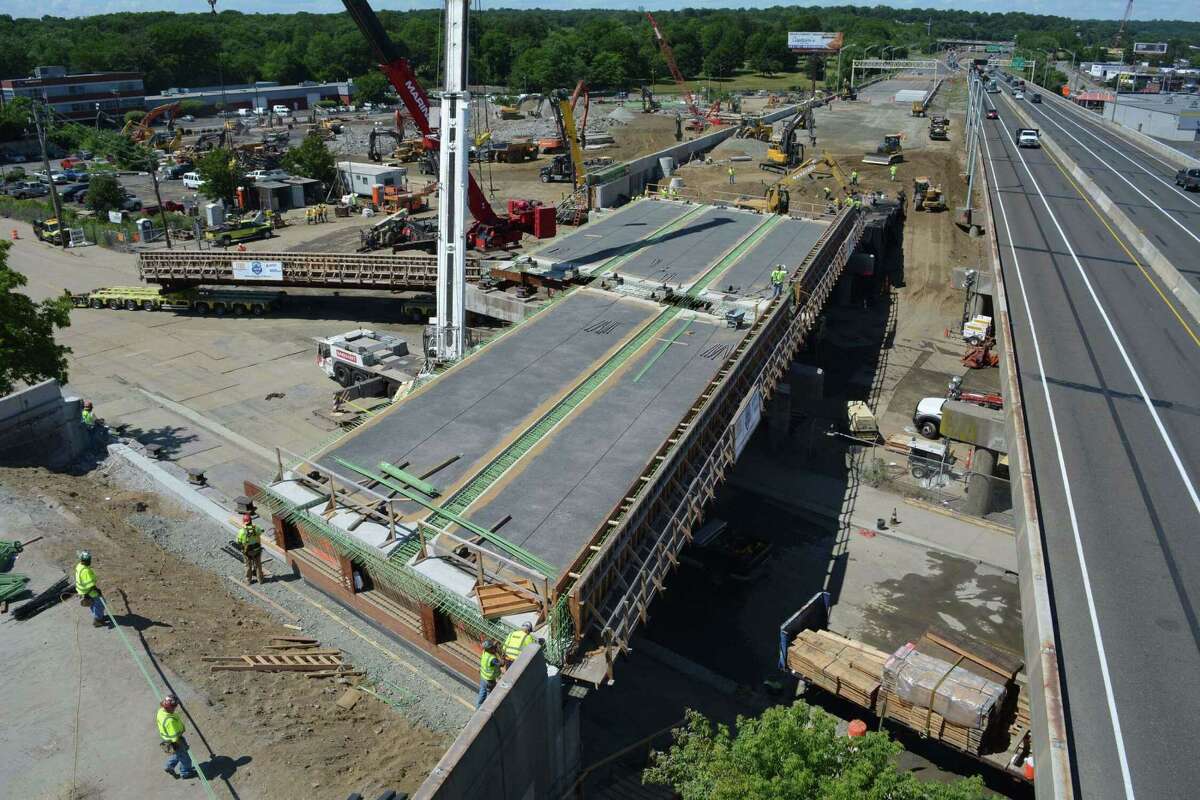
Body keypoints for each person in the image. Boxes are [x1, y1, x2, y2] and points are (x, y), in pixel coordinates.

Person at [157, 695, 198, 780]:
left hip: (167, 739)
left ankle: (169, 766)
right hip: (176, 741)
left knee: (177, 754)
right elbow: (175, 738)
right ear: (169, 707)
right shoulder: (170, 721)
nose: (175, 708)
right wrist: (182, 746)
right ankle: (186, 773)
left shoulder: (161, 711)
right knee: (185, 758)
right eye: (174, 706)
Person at [75, 550, 107, 628]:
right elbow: (90, 585)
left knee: (92, 604)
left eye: (89, 559)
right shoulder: (85, 571)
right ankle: (98, 620)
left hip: (83, 591)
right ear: (83, 560)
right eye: (87, 560)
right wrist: (97, 590)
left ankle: (98, 615)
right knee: (100, 604)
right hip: (89, 592)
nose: (89, 561)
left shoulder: (79, 566)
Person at [237, 514, 265, 584]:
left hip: (247, 552)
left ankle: (248, 580)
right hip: (257, 550)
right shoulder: (257, 528)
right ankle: (260, 580)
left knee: (248, 566)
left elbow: (238, 541)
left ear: (244, 522)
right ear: (251, 521)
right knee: (258, 565)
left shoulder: (242, 531)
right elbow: (261, 531)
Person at [477, 640, 501, 708]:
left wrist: (495, 645)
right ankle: (488, 708)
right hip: (490, 680)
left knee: (482, 692)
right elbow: (500, 664)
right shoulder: (492, 659)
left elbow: (492, 650)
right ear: (490, 649)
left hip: (483, 677)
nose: (494, 648)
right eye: (492, 647)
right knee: (490, 695)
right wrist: (502, 659)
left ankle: (478, 708)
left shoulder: (484, 652)